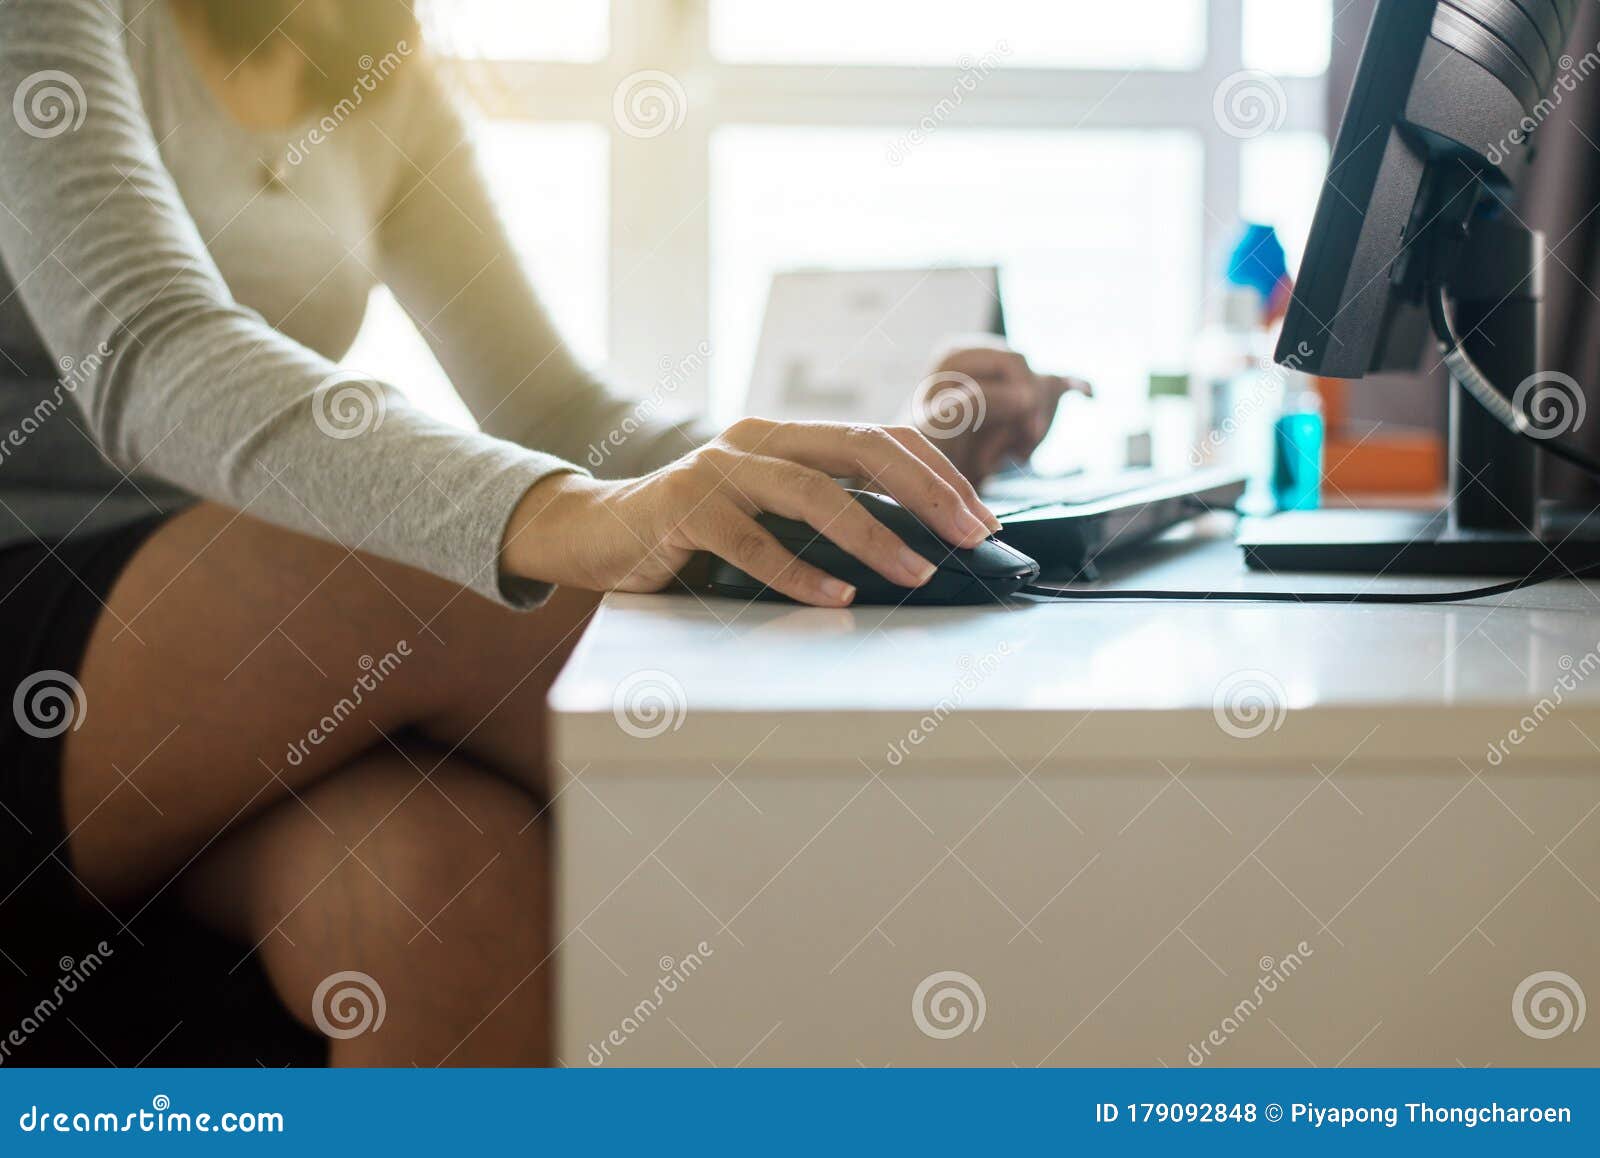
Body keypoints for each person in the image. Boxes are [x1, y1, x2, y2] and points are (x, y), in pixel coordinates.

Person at [0, 0, 1082, 1065]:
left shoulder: (373, 64)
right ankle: (988, 943)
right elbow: (149, 350)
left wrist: (855, 462)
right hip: (36, 604)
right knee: (412, 557)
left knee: (441, 890)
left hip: (227, 672)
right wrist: (570, 512)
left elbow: (554, 408)